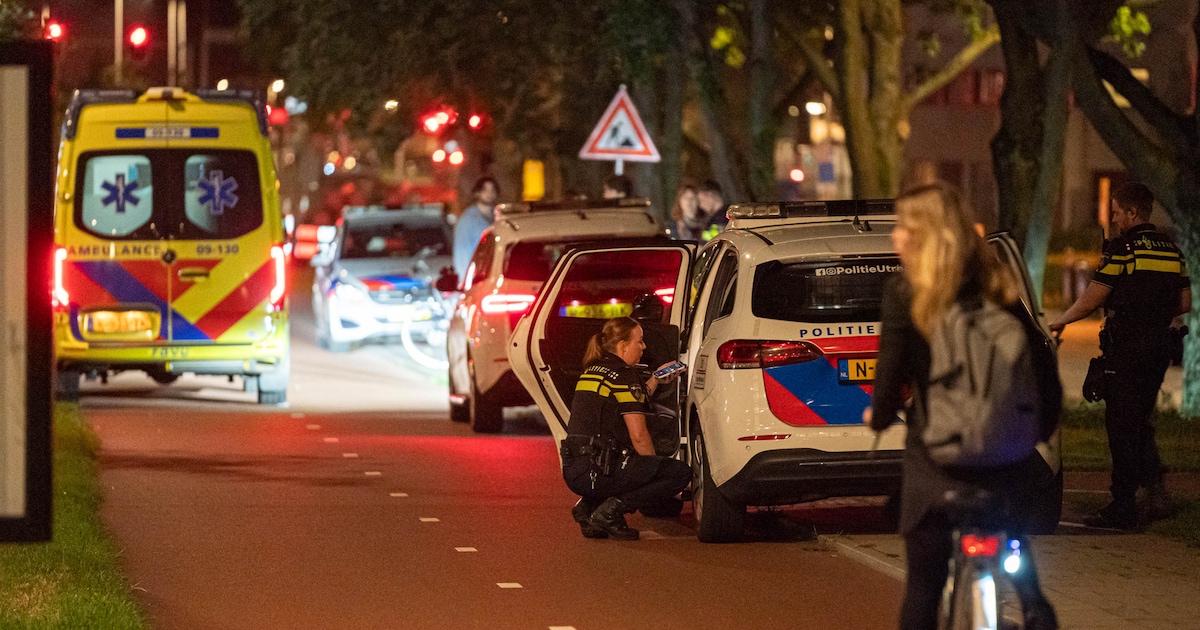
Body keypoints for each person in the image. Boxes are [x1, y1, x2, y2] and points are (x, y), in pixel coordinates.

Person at [867, 182, 1060, 630]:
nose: (894, 236)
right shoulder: (999, 287)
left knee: (924, 582)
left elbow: (889, 379)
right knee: (1010, 532)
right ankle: (1032, 603)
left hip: (937, 460)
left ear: (920, 236)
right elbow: (1041, 366)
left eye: (901, 227)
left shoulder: (905, 293)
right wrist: (1040, 431)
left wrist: (877, 418)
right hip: (1005, 455)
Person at [1049, 182, 1191, 530]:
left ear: (1132, 212)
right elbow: (1184, 304)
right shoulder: (1172, 249)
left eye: (1115, 212)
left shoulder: (1123, 249)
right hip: (1159, 349)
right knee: (1139, 419)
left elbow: (1094, 297)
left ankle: (1124, 506)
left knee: (1121, 426)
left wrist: (1059, 321)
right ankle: (1155, 491)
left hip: (1126, 347)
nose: (1112, 219)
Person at [560, 317, 691, 541]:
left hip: (576, 471)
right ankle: (610, 513)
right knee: (679, 473)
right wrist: (651, 470)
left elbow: (631, 398)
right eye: (639, 342)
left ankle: (589, 507)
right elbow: (639, 436)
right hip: (600, 470)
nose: (644, 347)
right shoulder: (624, 376)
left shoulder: (592, 371)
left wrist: (656, 380)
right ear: (622, 345)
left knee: (627, 466)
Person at [452, 176, 499, 278]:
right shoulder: (469, 220)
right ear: (477, 193)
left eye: (492, 190)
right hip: (474, 279)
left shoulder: (496, 218)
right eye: (485, 190)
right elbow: (463, 255)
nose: (489, 194)